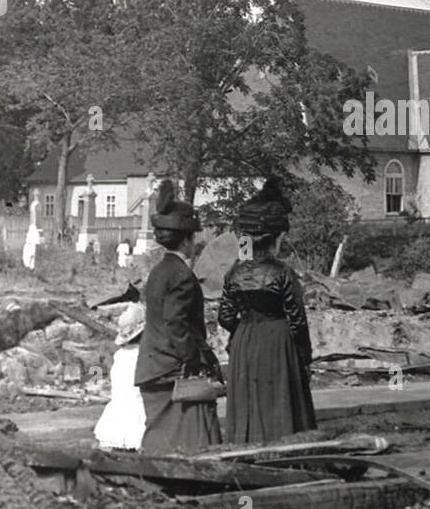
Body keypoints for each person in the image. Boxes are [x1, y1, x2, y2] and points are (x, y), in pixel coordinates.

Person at [219, 177, 317, 443]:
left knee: (248, 403)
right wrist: (305, 358)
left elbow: (225, 316)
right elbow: (298, 322)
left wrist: (245, 332)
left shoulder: (233, 273)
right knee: (281, 403)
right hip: (277, 342)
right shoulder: (283, 273)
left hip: (243, 343)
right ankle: (288, 454)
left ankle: (245, 451)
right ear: (277, 237)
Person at [132, 180, 223, 455]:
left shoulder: (159, 271)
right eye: (193, 239)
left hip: (153, 362)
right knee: (189, 436)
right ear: (186, 240)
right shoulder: (182, 276)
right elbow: (176, 324)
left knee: (161, 434)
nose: (194, 245)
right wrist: (196, 360)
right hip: (170, 368)